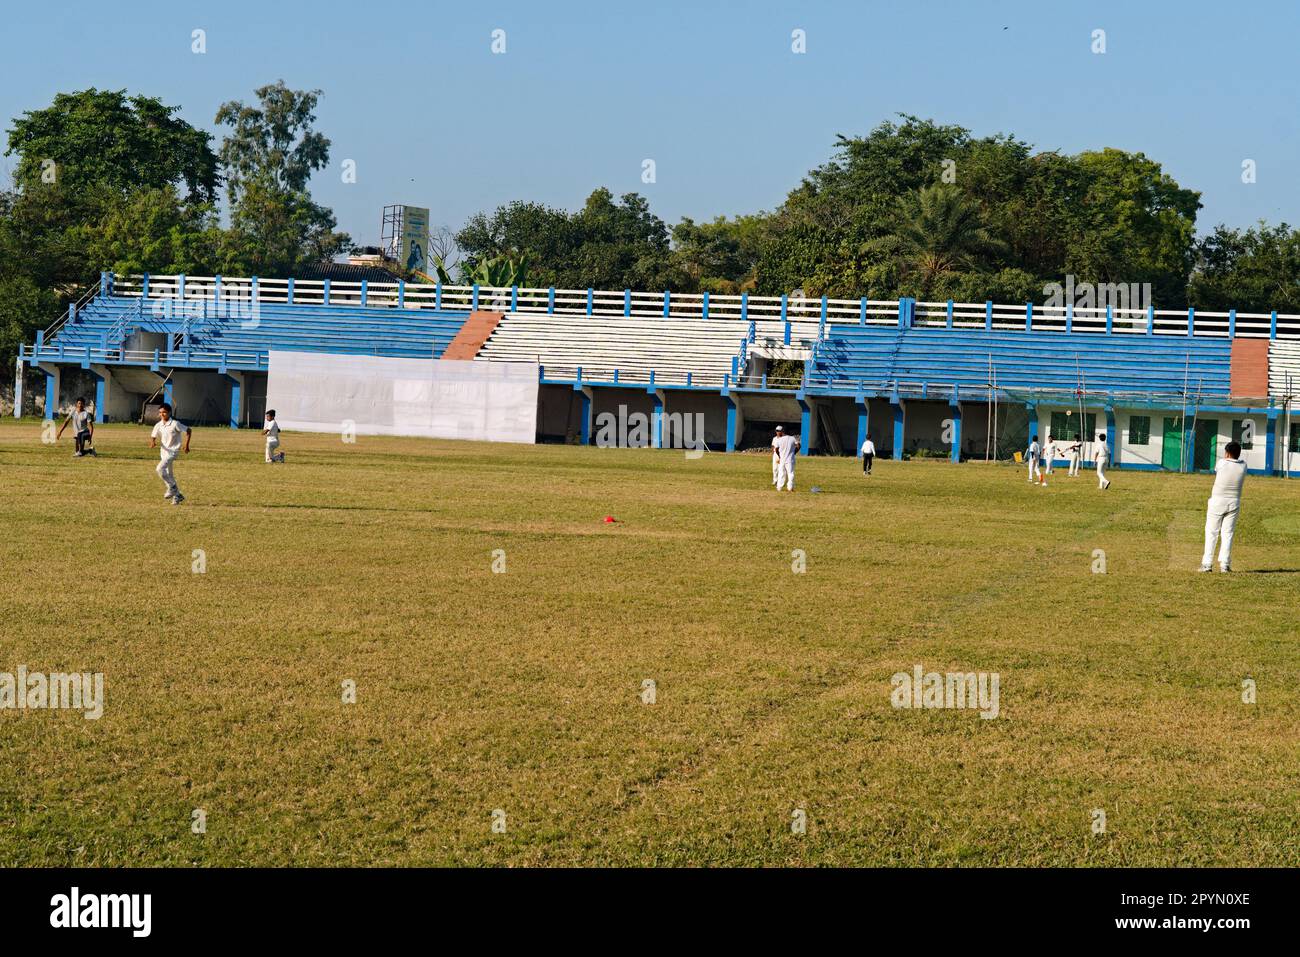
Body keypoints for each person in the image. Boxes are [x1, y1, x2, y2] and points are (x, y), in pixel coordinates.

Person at [1200, 440, 1246, 573]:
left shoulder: (1221, 463)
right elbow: (1236, 461)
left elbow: (1219, 468)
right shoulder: (1244, 466)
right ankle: (1225, 564)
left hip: (1217, 502)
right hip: (1234, 503)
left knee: (1212, 532)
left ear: (1226, 453)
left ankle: (1207, 564)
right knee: (1228, 534)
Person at [149, 403, 191, 504]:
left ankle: (172, 488)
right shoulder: (159, 425)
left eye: (164, 412)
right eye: (160, 412)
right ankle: (178, 496)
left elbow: (189, 430)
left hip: (173, 452)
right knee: (168, 475)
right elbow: (153, 434)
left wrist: (187, 445)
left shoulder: (175, 424)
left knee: (159, 469)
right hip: (163, 452)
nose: (162, 414)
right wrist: (153, 441)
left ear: (169, 413)